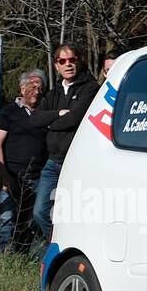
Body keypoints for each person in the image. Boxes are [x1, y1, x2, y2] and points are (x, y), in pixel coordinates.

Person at [29, 43, 99, 245]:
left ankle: (70, 250)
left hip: (76, 163)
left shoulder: (90, 88)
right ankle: (56, 247)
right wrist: (57, 115)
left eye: (72, 60)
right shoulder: (54, 93)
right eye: (62, 61)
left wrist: (50, 124)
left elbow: (75, 118)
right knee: (40, 211)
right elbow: (34, 119)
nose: (68, 64)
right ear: (56, 65)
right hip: (52, 163)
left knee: (73, 214)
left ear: (79, 61)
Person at [0, 70, 48, 252]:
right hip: (12, 175)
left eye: (40, 88)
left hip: (38, 176)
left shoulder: (46, 113)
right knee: (6, 217)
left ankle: (25, 256)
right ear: (22, 88)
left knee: (32, 218)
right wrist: (4, 176)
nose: (37, 92)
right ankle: (2, 257)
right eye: (32, 87)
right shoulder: (9, 112)